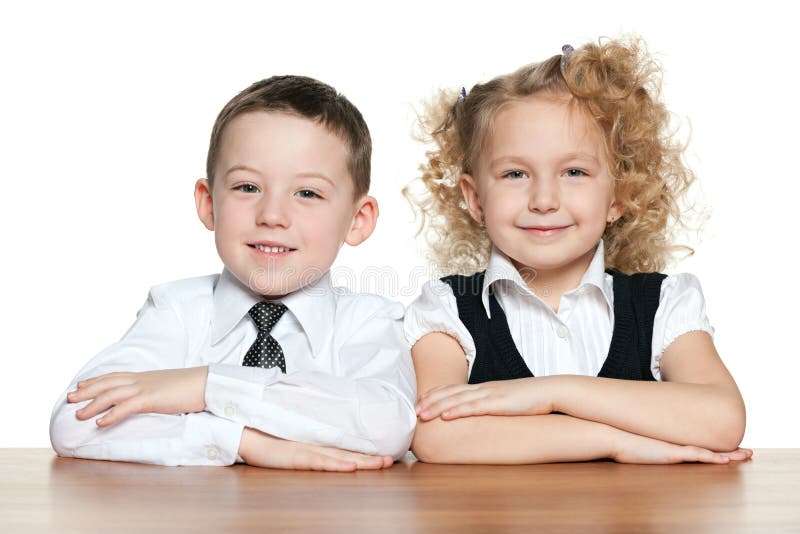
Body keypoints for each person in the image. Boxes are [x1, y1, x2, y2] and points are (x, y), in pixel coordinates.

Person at [403, 38, 752, 464]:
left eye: (574, 171)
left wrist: (551, 393)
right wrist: (618, 441)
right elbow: (437, 435)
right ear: (475, 199)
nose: (544, 199)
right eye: (515, 173)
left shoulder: (663, 304)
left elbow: (721, 419)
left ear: (618, 196)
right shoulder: (446, 310)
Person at [50, 75, 416, 471]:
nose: (272, 216)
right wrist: (240, 441)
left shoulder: (369, 321)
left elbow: (388, 424)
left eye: (307, 193)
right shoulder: (177, 311)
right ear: (209, 204)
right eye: (247, 187)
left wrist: (206, 386)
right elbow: (76, 422)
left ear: (357, 221)